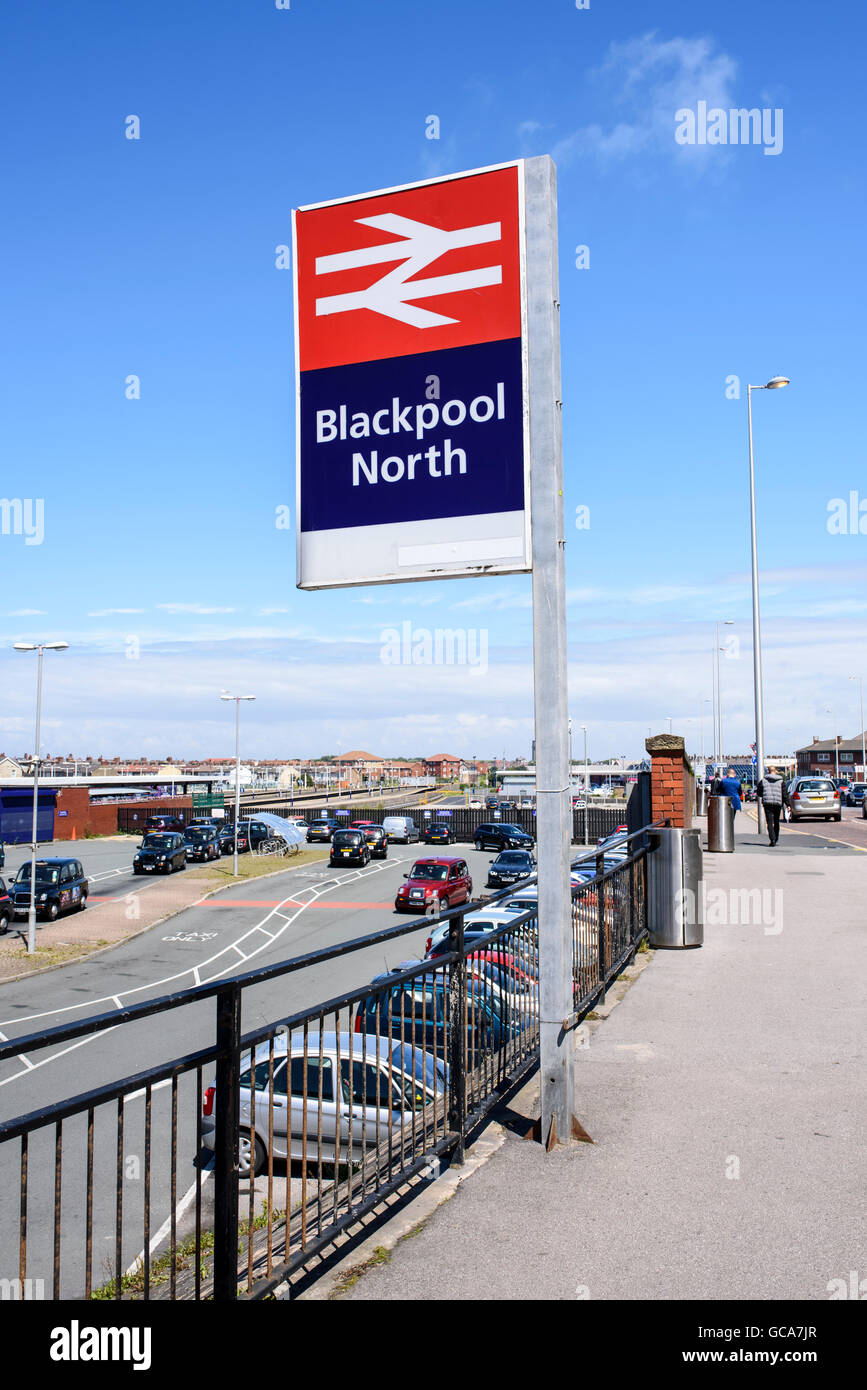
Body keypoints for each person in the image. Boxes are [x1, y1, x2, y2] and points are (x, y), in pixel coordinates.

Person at [757, 765, 786, 846]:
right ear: (775, 771)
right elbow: (784, 794)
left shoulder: (763, 781)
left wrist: (764, 795)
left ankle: (772, 839)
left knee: (769, 822)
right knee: (776, 821)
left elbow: (759, 792)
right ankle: (776, 838)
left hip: (767, 803)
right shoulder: (781, 781)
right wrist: (788, 804)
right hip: (777, 803)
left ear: (768, 771)